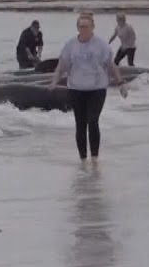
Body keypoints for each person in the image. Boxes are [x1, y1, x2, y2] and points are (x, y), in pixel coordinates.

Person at [49, 13, 127, 162]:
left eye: (86, 26)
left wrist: (121, 83)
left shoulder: (101, 45)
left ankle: (95, 158)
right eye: (81, 26)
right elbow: (61, 66)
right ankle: (83, 160)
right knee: (80, 124)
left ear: (93, 27)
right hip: (76, 89)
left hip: (97, 89)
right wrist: (54, 81)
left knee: (92, 120)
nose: (83, 29)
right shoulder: (70, 45)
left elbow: (111, 65)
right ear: (77, 28)